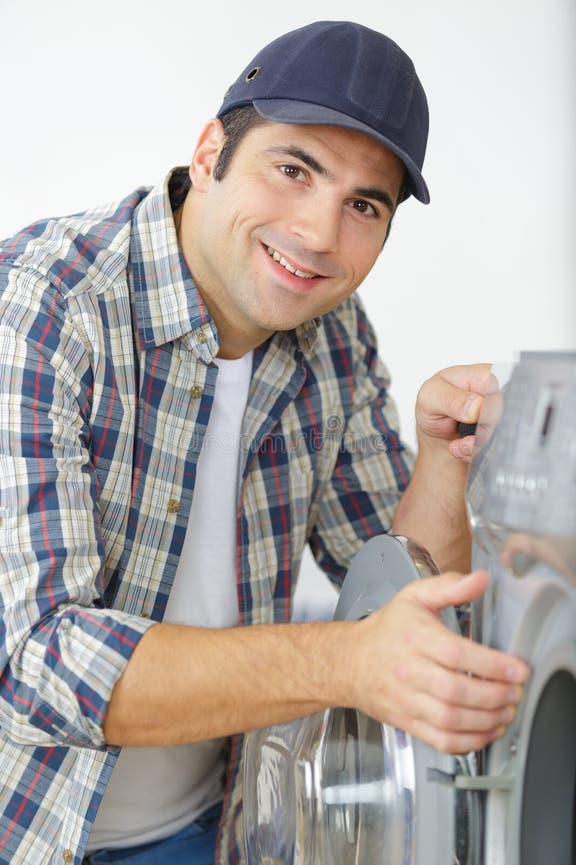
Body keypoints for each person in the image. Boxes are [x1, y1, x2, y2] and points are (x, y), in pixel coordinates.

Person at [0, 19, 528, 865]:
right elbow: (39, 665)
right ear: (210, 153)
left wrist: (442, 459)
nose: (319, 234)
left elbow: (404, 607)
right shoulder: (41, 306)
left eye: (364, 205)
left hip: (203, 833)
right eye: (294, 169)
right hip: (25, 827)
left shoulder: (333, 334)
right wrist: (345, 662)